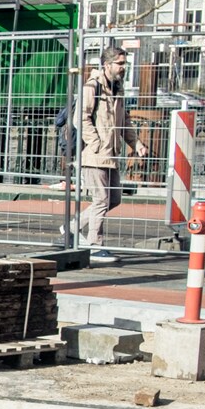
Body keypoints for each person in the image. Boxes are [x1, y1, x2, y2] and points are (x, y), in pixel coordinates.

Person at [77, 45, 134, 259]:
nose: (123, 67)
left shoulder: (118, 88)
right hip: (95, 155)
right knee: (101, 199)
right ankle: (94, 244)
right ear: (106, 64)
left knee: (114, 199)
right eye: (119, 63)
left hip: (111, 154)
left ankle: (73, 227)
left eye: (124, 63)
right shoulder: (92, 87)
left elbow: (124, 120)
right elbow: (80, 118)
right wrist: (96, 144)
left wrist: (134, 143)